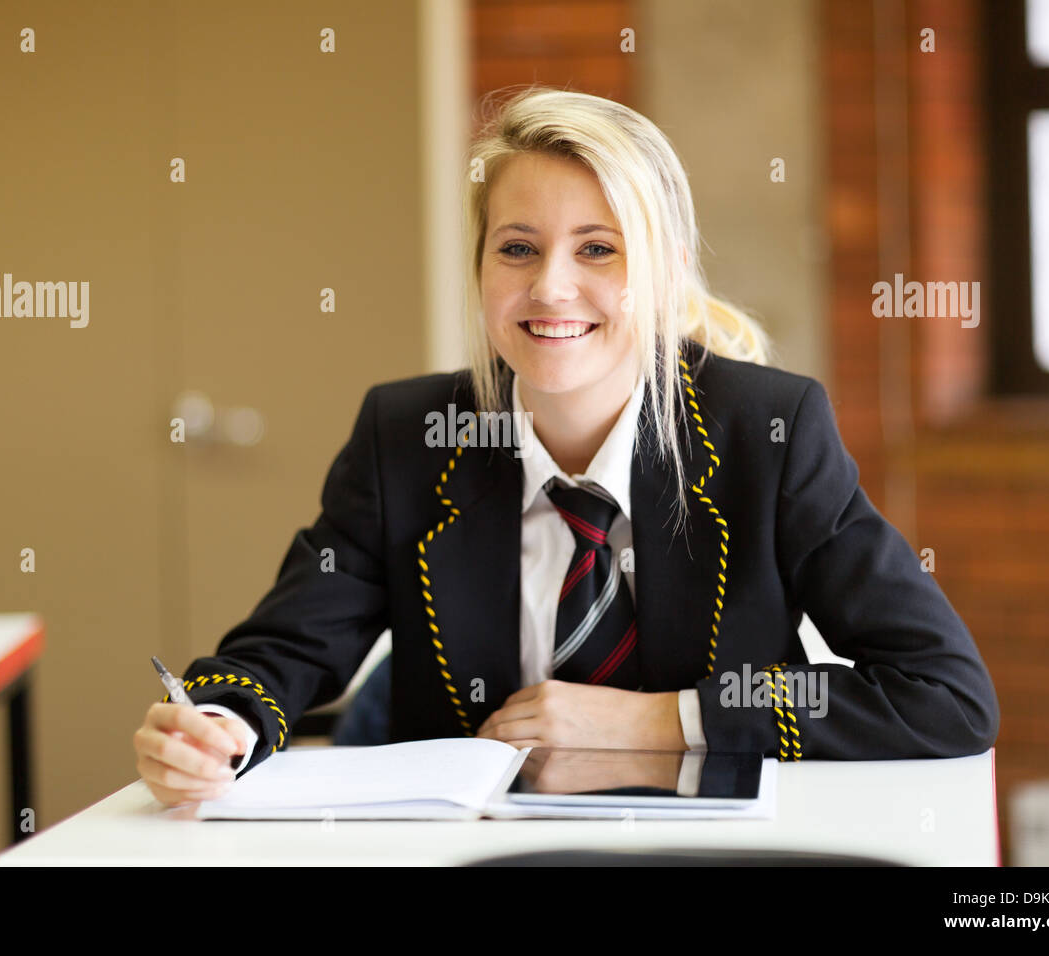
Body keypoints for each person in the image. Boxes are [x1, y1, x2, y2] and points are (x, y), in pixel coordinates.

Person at [133, 86, 1000, 808]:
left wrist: (660, 722)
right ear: (480, 267)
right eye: (518, 248)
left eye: (598, 250)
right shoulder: (408, 437)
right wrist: (216, 727)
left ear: (667, 271)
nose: (551, 287)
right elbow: (283, 650)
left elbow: (943, 695)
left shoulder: (768, 433)